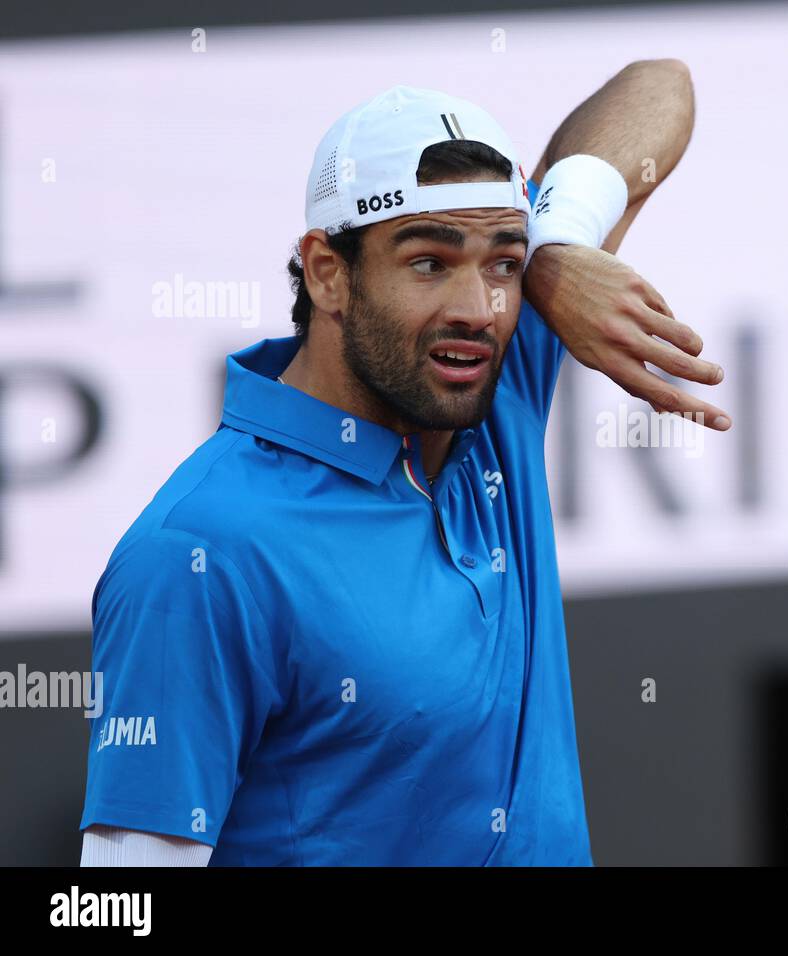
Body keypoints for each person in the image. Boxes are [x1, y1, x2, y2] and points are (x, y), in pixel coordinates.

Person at [79, 62, 728, 866]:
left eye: (502, 262)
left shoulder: (486, 384)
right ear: (328, 272)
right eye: (429, 262)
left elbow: (659, 88)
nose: (478, 308)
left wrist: (556, 249)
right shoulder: (198, 555)